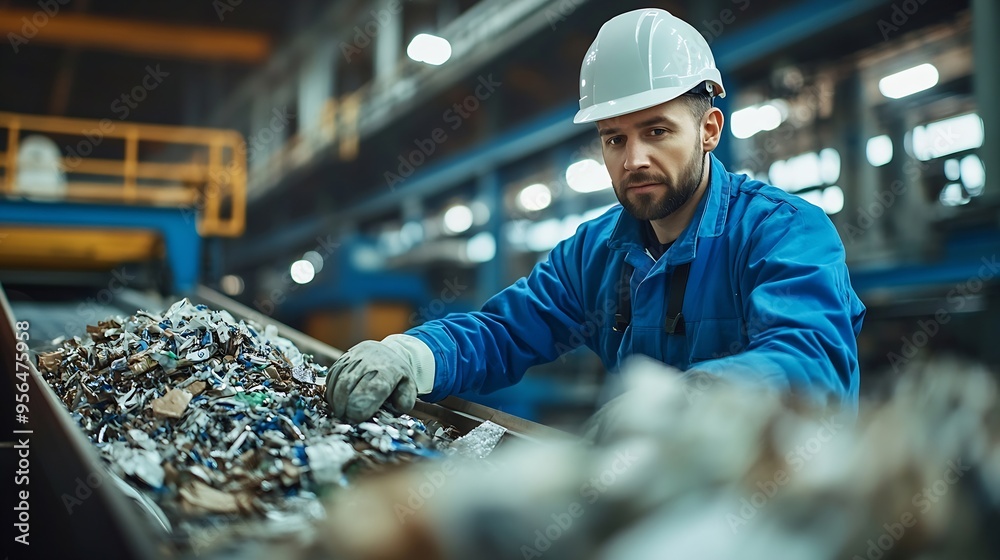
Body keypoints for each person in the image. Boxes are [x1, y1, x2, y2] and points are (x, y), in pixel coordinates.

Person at [325, 8, 866, 423]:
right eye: (614, 139)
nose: (634, 160)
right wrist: (412, 354)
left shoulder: (786, 232)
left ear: (709, 130)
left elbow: (809, 361)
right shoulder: (595, 253)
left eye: (657, 131)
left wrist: (683, 403)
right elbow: (503, 331)